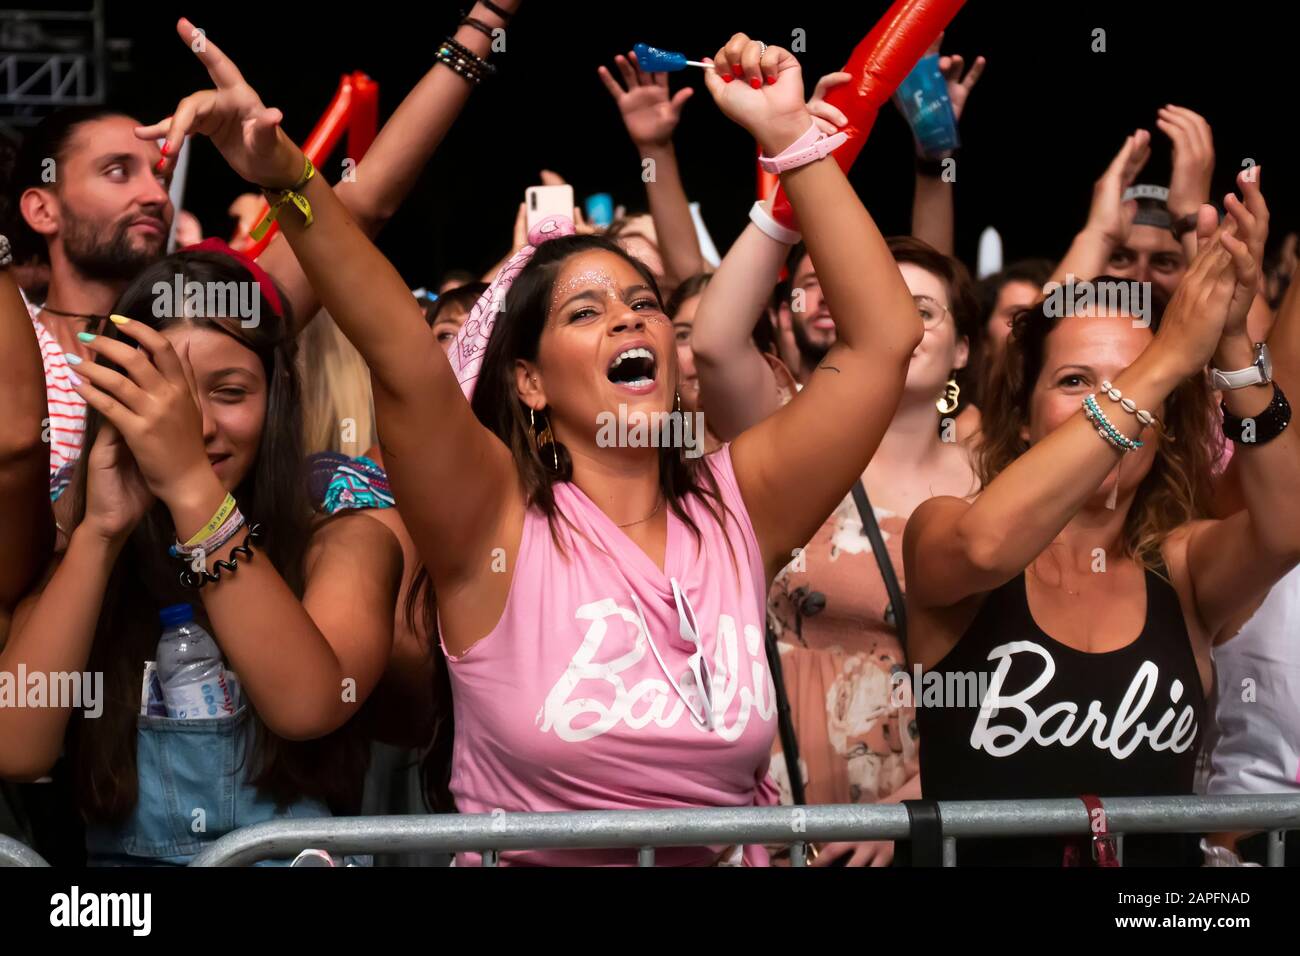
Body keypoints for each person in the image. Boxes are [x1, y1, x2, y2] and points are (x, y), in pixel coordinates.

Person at [163, 21, 923, 864]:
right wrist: (287, 179)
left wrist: (791, 139)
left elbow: (883, 341)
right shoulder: (490, 522)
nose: (630, 317)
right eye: (585, 312)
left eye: (641, 304)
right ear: (528, 381)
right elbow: (400, 352)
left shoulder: (739, 507)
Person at [904, 170, 1300, 865]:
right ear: (1023, 421)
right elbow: (988, 546)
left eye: (1130, 383)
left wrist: (1233, 344)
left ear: (1168, 428)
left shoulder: (1183, 569)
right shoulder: (942, 527)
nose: (1115, 409)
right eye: (1075, 381)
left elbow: (1288, 526)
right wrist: (1166, 359)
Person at [0, 248, 403, 865]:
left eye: (231, 393)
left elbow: (306, 704)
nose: (196, 426)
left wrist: (192, 487)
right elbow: (15, 745)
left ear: (278, 399)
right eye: (170, 400)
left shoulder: (347, 543)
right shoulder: (76, 537)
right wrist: (100, 533)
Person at [693, 223, 980, 865]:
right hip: (759, 799)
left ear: (963, 349)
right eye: (885, 309)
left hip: (917, 816)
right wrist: (780, 214)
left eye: (925, 312)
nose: (904, 326)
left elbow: (1011, 685)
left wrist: (911, 810)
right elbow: (713, 344)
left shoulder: (995, 482)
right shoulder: (792, 437)